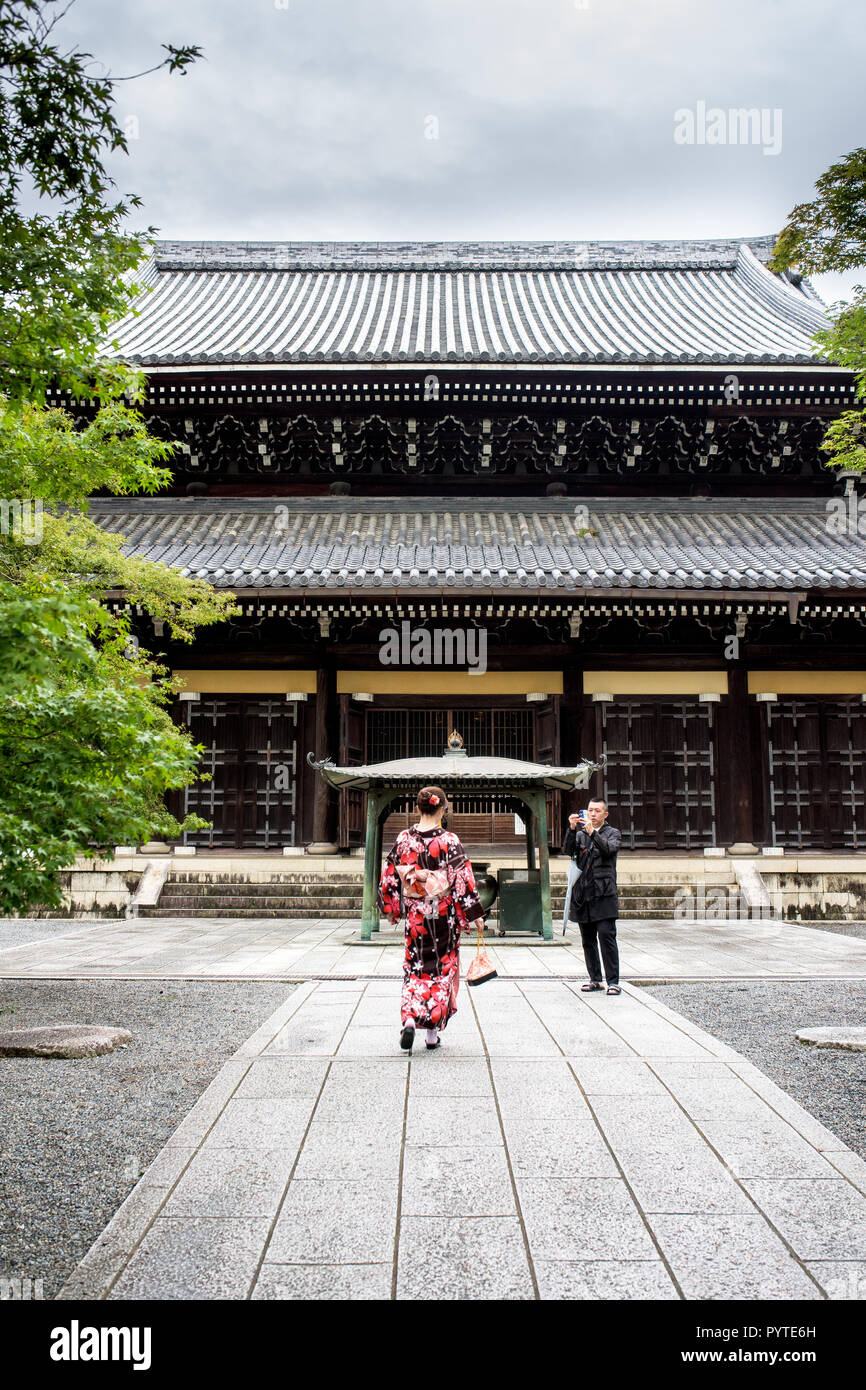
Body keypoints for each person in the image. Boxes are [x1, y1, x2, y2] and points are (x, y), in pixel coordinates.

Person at [378, 785, 485, 1051]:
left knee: (415, 967)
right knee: (441, 969)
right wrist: (474, 914)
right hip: (443, 916)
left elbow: (390, 875)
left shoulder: (404, 839)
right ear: (442, 809)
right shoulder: (449, 840)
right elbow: (462, 879)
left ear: (417, 808)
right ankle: (432, 1033)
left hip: (416, 915)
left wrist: (392, 908)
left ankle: (411, 1018)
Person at [562, 797, 623, 996]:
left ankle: (613, 981)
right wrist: (571, 829)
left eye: (597, 811)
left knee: (607, 936)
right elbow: (568, 851)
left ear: (605, 814)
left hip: (604, 893)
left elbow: (608, 850)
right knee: (587, 940)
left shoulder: (613, 833)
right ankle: (595, 979)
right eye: (590, 810)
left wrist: (592, 832)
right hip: (584, 893)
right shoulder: (580, 835)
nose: (593, 814)